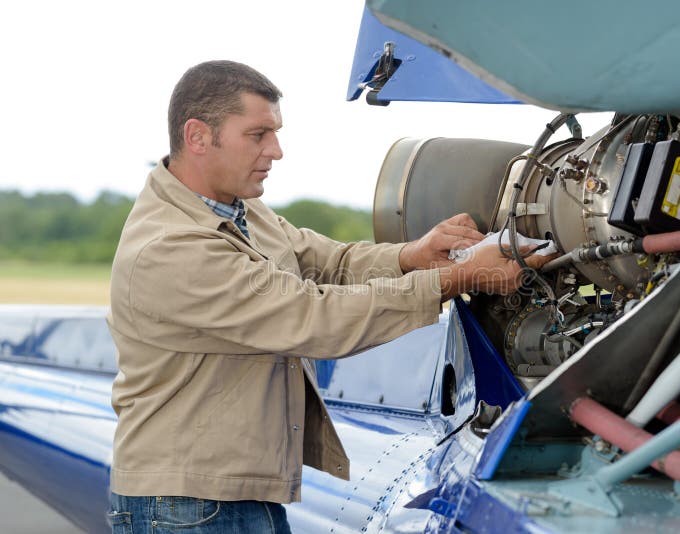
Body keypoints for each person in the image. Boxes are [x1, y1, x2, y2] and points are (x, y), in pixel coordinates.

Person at [106, 60, 554, 533]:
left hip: (229, 496)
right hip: (187, 507)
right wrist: (455, 279)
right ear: (197, 136)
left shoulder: (242, 211)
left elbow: (326, 261)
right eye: (258, 135)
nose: (276, 151)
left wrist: (413, 255)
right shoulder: (171, 247)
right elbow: (310, 316)